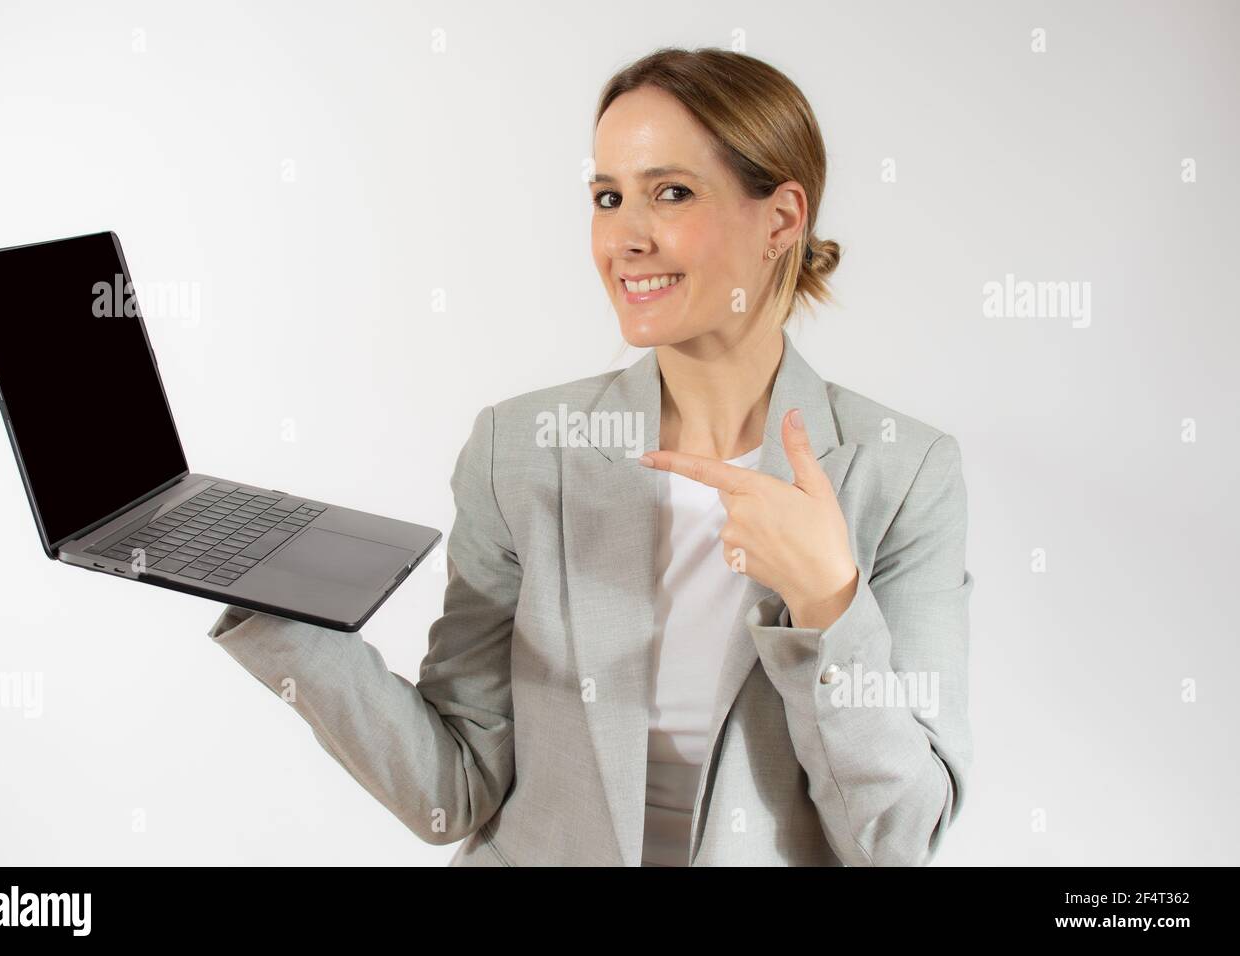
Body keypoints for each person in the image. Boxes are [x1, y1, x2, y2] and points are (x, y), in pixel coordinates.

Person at [209, 46, 974, 866]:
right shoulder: (522, 451)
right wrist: (275, 603)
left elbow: (894, 841)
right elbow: (451, 792)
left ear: (782, 220)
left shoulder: (903, 474)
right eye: (609, 197)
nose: (626, 238)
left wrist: (827, 600)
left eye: (671, 193)